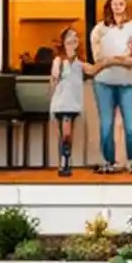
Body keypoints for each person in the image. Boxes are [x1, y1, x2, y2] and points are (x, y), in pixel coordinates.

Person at [90, 0, 132, 174]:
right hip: (103, 82)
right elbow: (98, 56)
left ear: (125, 6)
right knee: (106, 125)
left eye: (121, 3)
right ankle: (109, 161)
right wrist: (118, 58)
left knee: (131, 126)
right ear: (109, 6)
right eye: (114, 3)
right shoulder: (99, 29)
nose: (118, 6)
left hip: (128, 82)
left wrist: (119, 58)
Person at [48, 26, 104, 177]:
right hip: (61, 104)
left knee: (68, 135)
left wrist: (108, 60)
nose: (74, 39)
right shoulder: (59, 60)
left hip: (73, 104)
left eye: (75, 37)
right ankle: (64, 163)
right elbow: (54, 79)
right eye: (70, 37)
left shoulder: (79, 62)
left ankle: (65, 162)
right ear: (64, 41)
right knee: (64, 134)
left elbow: (92, 70)